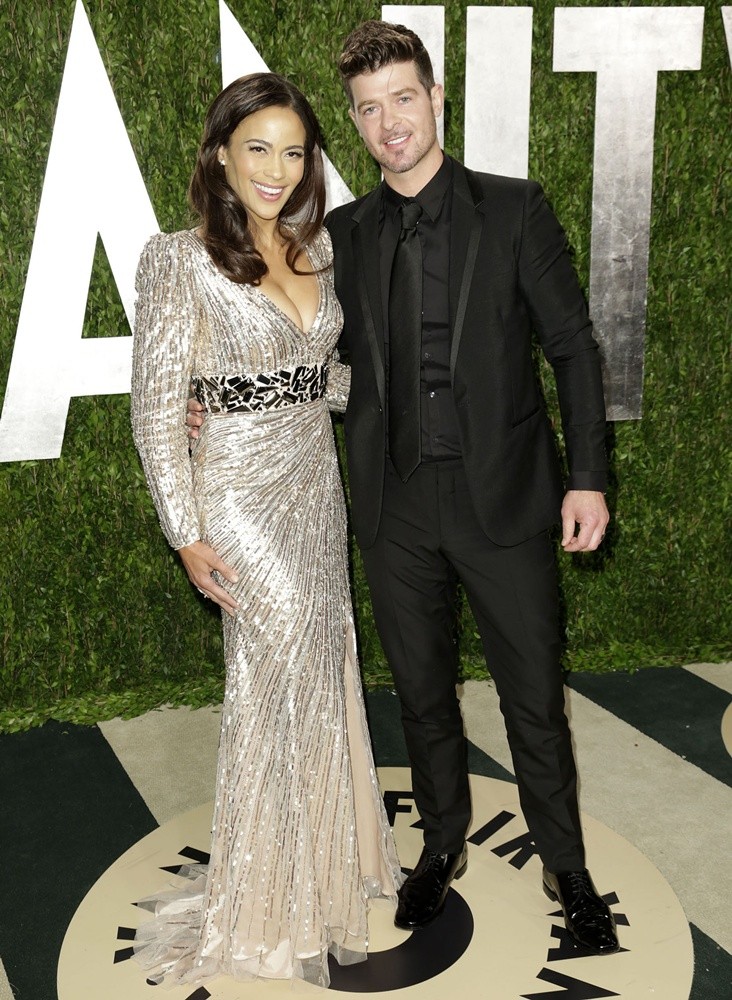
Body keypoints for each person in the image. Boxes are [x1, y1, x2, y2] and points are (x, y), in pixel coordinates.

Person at [188, 22, 619, 955]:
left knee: (533, 697)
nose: (390, 122)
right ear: (353, 123)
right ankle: (441, 845)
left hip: (505, 499)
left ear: (435, 99)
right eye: (368, 108)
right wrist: (208, 403)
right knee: (421, 694)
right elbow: (299, 352)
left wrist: (588, 478)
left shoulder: (515, 209)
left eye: (403, 99)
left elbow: (573, 348)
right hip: (393, 505)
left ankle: (568, 867)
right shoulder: (336, 237)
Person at [130, 72, 402, 990]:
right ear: (220, 155)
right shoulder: (176, 259)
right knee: (274, 676)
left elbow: (318, 379)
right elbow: (155, 410)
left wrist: (414, 403)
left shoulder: (316, 246)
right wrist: (185, 531)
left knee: (322, 670)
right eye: (258, 149)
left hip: (313, 486)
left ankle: (322, 874)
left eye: (294, 152)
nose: (277, 170)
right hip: (238, 499)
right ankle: (265, 901)